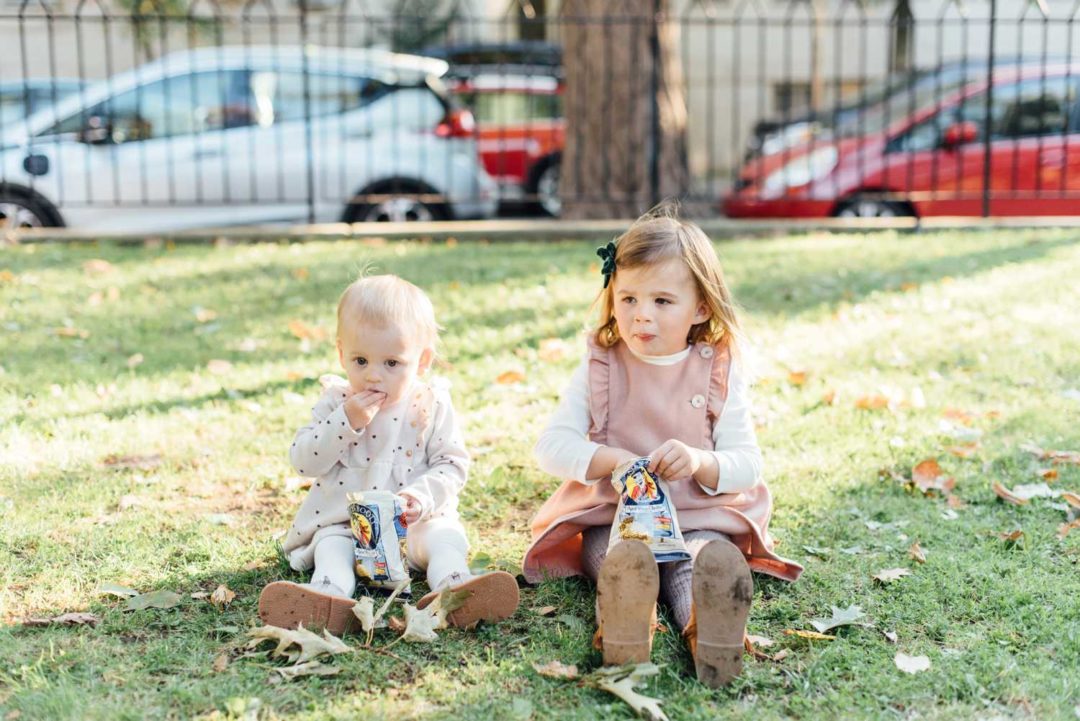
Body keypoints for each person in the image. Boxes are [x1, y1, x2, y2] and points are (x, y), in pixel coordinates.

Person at [523, 204, 802, 687]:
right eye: (627, 298)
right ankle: (628, 623)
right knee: (617, 559)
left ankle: (709, 628)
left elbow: (747, 465)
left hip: (694, 516)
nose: (640, 316)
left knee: (696, 563)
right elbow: (551, 445)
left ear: (700, 308)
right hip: (614, 518)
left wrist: (698, 461)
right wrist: (609, 460)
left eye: (662, 301)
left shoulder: (717, 368)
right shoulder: (602, 364)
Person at [259, 274, 519, 634]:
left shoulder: (430, 403)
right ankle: (328, 594)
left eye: (391, 363)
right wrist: (345, 422)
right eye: (360, 360)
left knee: (445, 538)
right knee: (331, 548)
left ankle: (454, 585)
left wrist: (420, 498)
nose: (373, 377)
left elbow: (452, 464)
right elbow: (303, 461)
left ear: (422, 360)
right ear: (340, 354)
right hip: (348, 527)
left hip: (415, 526)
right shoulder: (336, 403)